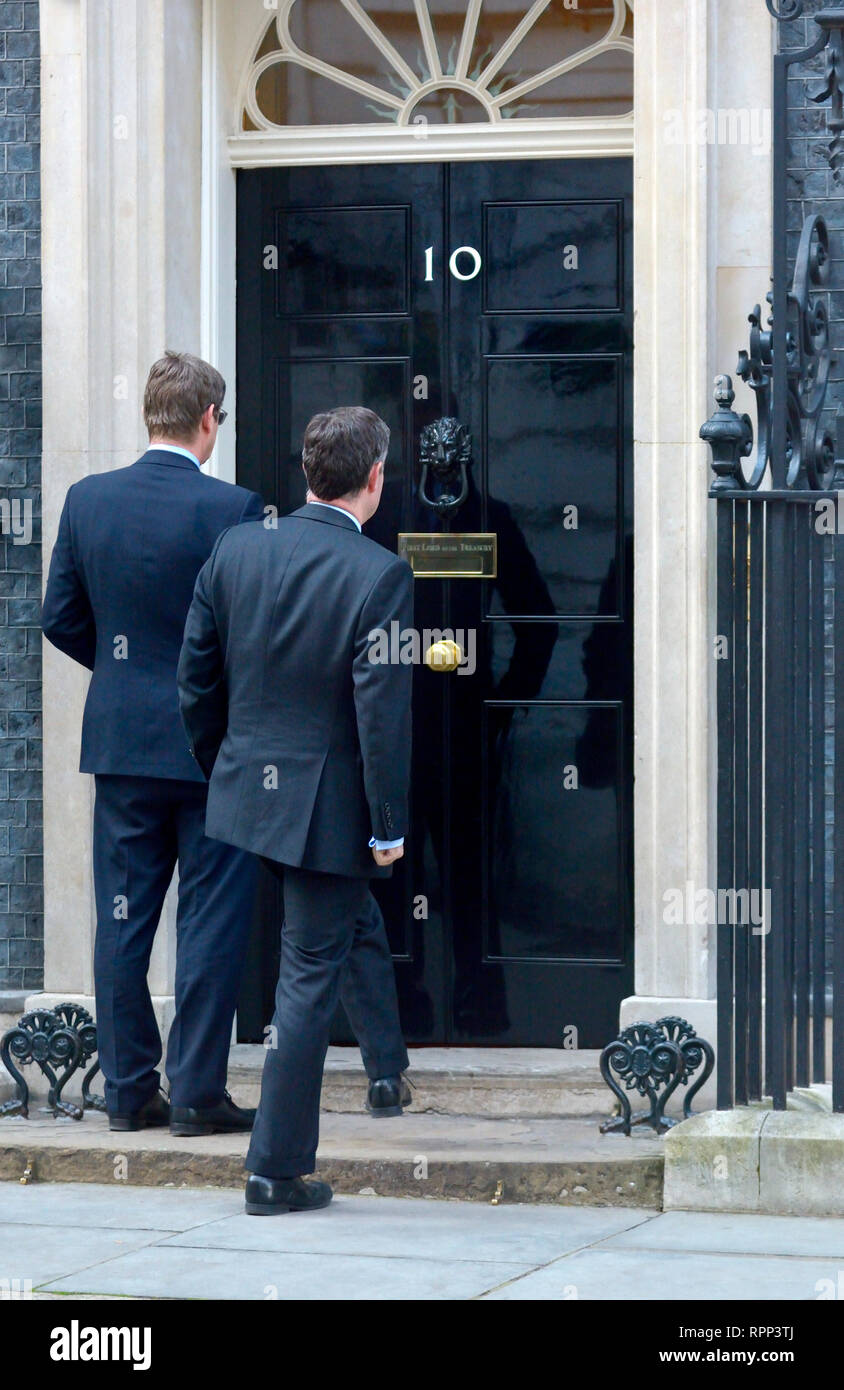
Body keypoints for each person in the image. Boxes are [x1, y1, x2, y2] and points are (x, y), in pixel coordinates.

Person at [178, 406, 413, 1215]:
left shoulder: (237, 548)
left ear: (310, 473)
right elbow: (381, 718)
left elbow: (195, 683)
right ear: (373, 479)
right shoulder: (379, 574)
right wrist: (387, 829)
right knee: (306, 979)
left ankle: (388, 1066)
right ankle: (274, 1173)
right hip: (325, 814)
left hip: (247, 798)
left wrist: (228, 772)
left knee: (338, 933)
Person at [42, 351, 264, 1136]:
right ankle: (198, 1093)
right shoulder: (234, 509)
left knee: (122, 920)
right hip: (212, 751)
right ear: (209, 420)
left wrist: (121, 672)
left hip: (124, 746)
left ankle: (129, 1090)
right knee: (208, 921)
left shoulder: (88, 500)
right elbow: (251, 632)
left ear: (149, 415)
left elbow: (58, 617)